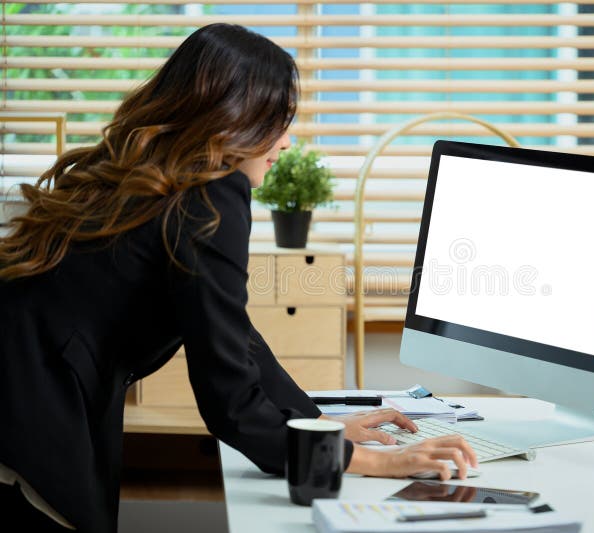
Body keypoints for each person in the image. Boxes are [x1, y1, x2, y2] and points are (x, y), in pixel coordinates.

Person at [0, 23, 476, 533]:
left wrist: (315, 424)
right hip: (26, 420)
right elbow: (229, 400)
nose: (287, 142)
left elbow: (232, 334)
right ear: (232, 119)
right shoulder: (213, 194)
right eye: (277, 121)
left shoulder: (156, 177)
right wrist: (379, 461)